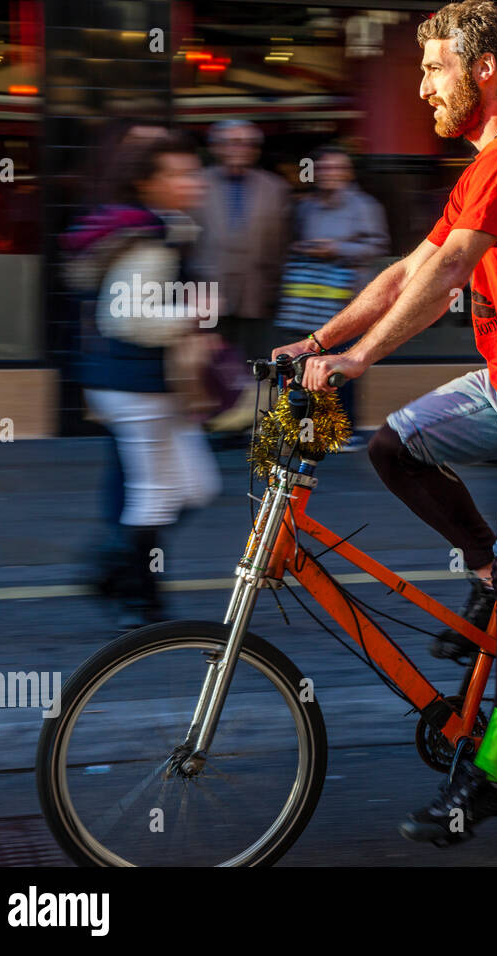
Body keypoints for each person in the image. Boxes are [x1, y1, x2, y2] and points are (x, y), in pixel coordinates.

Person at [271, 0, 497, 845]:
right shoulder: (485, 164)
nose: (422, 86)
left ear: (484, 70)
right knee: (396, 446)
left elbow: (444, 278)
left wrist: (362, 359)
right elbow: (410, 269)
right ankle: (486, 579)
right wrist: (320, 341)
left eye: (434, 68)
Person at [65, 131, 223, 629]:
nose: (193, 181)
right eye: (178, 173)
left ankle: (113, 566)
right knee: (154, 493)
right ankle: (136, 597)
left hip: (150, 385)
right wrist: (194, 315)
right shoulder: (150, 241)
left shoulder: (166, 228)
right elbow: (127, 318)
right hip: (135, 385)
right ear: (146, 183)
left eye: (193, 170)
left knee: (195, 487)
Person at [277, 145, 390, 452]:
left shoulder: (364, 205)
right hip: (308, 299)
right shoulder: (305, 207)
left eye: (337, 168)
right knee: (303, 364)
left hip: (345, 300)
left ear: (348, 173)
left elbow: (377, 247)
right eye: (324, 168)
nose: (330, 173)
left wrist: (336, 249)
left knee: (340, 364)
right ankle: (304, 429)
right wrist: (307, 249)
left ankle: (343, 431)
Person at [189, 120, 291, 364]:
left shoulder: (275, 188)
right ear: (216, 146)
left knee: (253, 366)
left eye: (249, 144)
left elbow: (282, 244)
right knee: (212, 368)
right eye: (234, 142)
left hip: (257, 294)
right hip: (207, 293)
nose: (242, 149)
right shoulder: (195, 184)